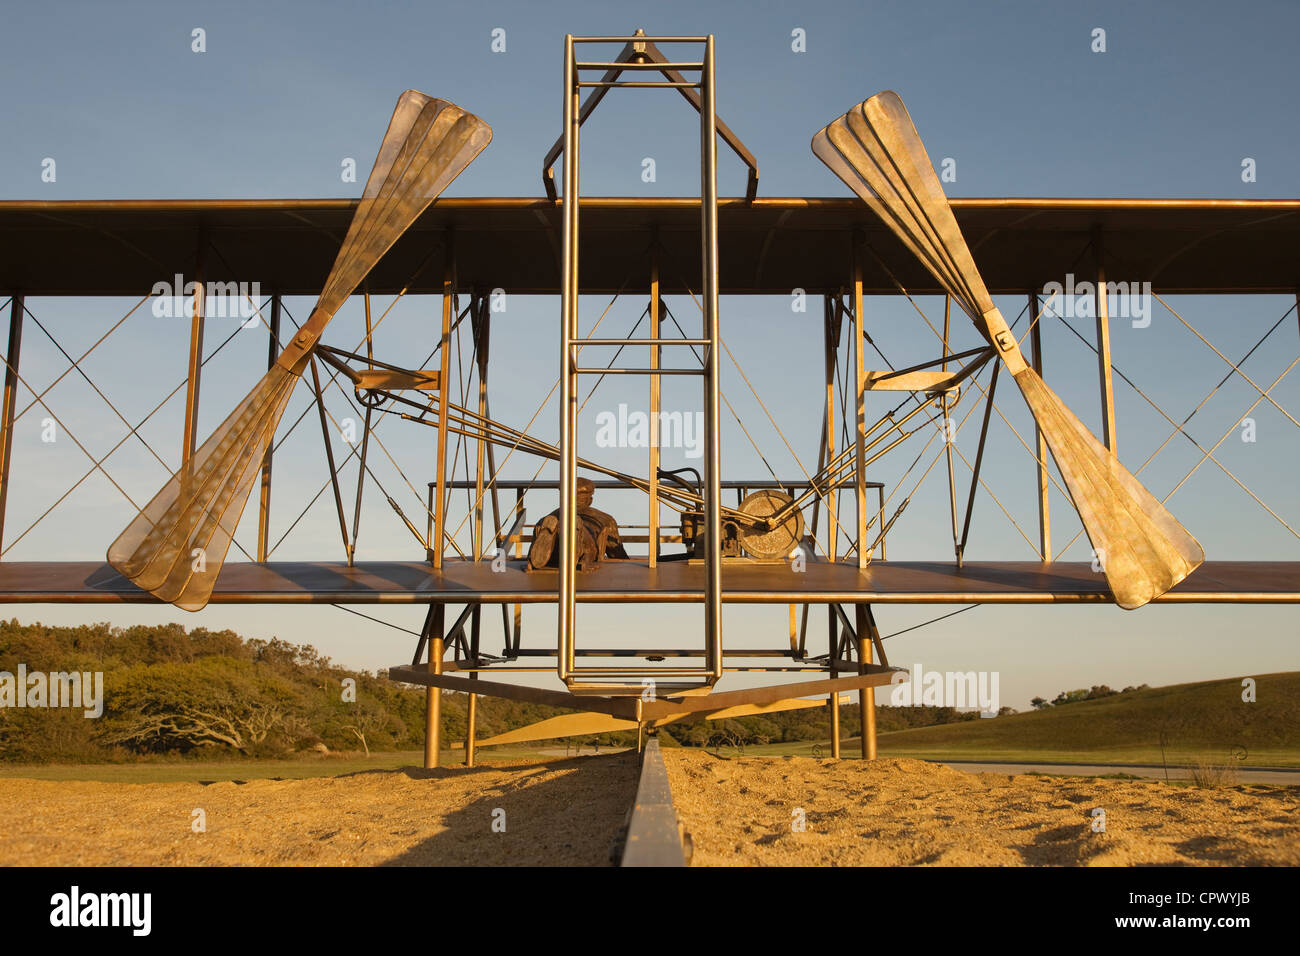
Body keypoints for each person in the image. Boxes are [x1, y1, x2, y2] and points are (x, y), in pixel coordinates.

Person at [527, 477, 629, 571]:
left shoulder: (548, 518)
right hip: (585, 552)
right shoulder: (605, 519)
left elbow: (532, 550)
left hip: (553, 556)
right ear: (590, 499)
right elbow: (616, 553)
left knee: (552, 528)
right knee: (587, 543)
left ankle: (553, 532)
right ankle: (575, 533)